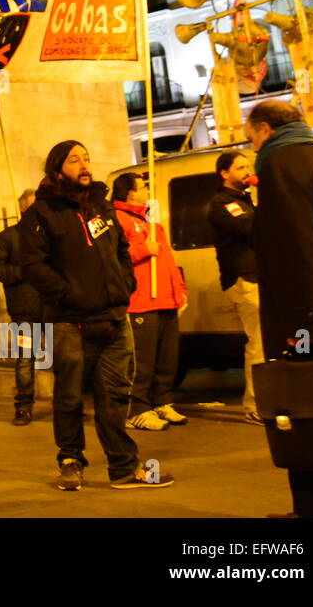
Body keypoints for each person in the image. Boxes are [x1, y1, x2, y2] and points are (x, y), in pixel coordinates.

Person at [21, 140, 172, 491]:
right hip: (69, 322)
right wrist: (69, 294)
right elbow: (33, 266)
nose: (84, 164)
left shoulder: (101, 207)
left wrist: (125, 282)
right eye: (75, 160)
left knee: (115, 394)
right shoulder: (41, 214)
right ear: (58, 169)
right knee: (70, 395)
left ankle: (123, 467)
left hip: (114, 317)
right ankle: (70, 461)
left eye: (87, 157)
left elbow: (120, 248)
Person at [245, 100, 313, 518]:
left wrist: (301, 336)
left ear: (267, 129)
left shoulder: (280, 167)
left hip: (310, 318)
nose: (252, 148)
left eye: (251, 136)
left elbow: (295, 252)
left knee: (307, 413)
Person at [112, 172, 187, 431]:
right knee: (142, 361)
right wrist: (144, 249)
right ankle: (136, 410)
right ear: (131, 193)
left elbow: (167, 259)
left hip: (164, 300)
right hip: (141, 300)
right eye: (143, 187)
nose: (147, 191)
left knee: (166, 359)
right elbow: (115, 256)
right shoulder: (118, 220)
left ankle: (161, 401)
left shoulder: (150, 223)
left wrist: (179, 289)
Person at [208, 150, 265, 424]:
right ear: (225, 173)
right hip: (244, 279)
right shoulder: (222, 203)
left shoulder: (246, 201)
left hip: (261, 276)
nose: (247, 171)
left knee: (269, 341)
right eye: (240, 167)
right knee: (258, 341)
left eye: (248, 166)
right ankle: (254, 404)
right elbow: (248, 228)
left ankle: (271, 397)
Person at [0, 189, 41, 425]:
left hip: (54, 308)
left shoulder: (52, 235)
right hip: (25, 310)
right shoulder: (7, 238)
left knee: (64, 358)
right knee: (25, 359)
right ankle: (24, 407)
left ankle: (67, 405)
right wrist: (21, 273)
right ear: (23, 209)